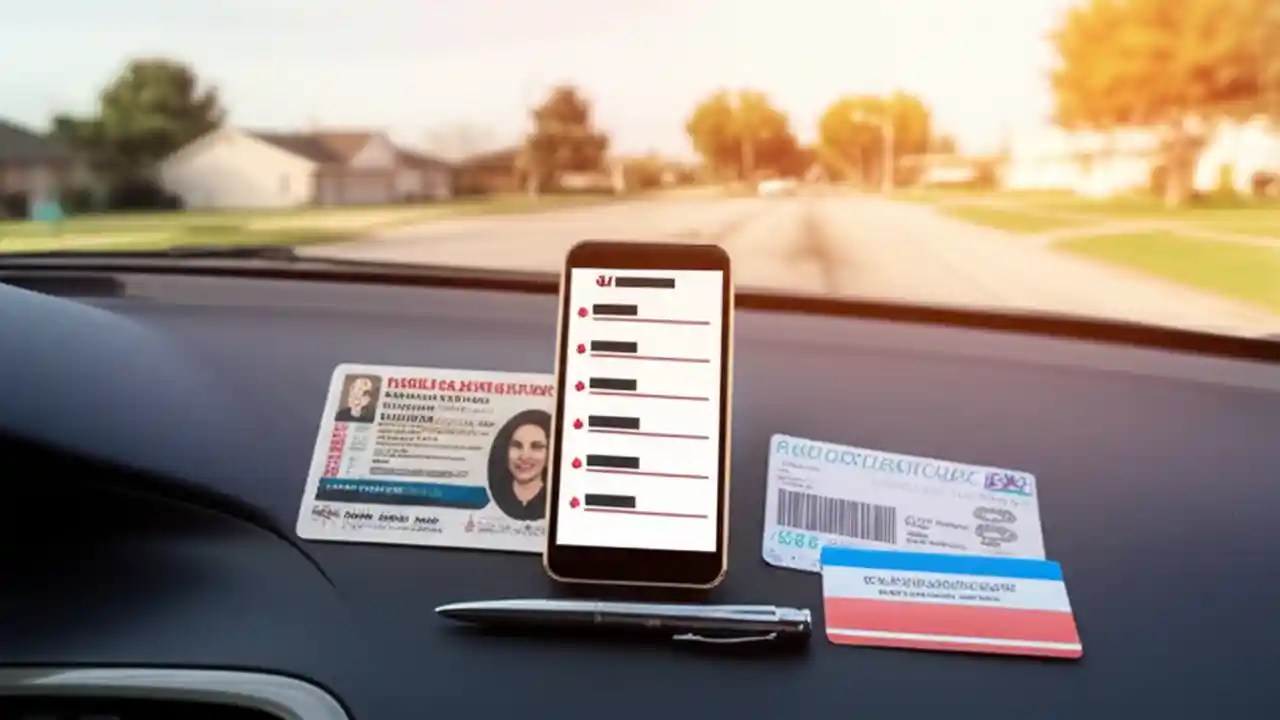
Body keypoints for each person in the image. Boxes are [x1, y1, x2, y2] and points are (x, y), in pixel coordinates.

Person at [487, 409, 551, 521]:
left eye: (536, 447)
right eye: (517, 446)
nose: (524, 456)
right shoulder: (496, 496)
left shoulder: (557, 500)